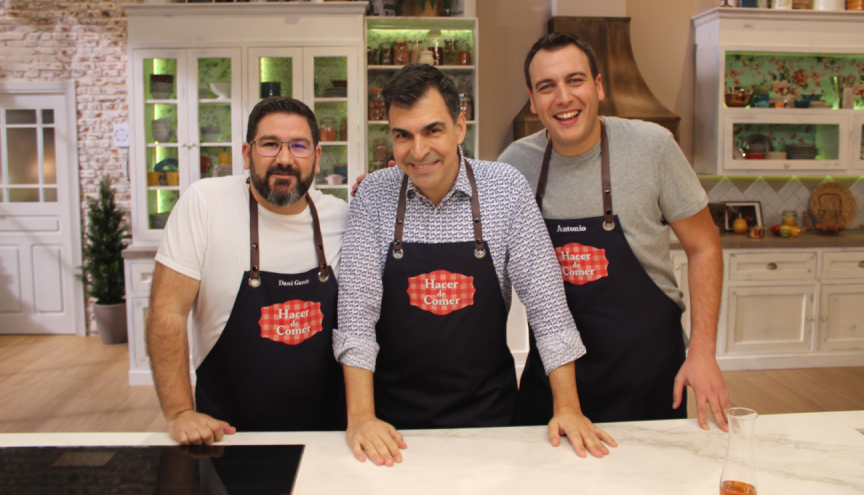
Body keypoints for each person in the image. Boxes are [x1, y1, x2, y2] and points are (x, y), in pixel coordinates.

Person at [334, 64, 616, 467]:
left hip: (491, 419)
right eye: (402, 135)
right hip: (392, 430)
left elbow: (548, 309)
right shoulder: (373, 196)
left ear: (459, 127)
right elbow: (356, 318)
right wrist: (362, 418)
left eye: (432, 130)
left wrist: (568, 407)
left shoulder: (505, 188)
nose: (417, 151)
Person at [499, 32, 730, 431]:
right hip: (553, 376)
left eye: (575, 80)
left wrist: (703, 351)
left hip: (645, 370)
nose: (563, 98)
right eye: (547, 87)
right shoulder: (516, 164)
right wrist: (389, 187)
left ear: (598, 86)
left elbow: (704, 246)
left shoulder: (652, 147)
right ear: (533, 100)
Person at [147, 97, 349, 444]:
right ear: (246, 152)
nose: (284, 159)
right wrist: (180, 412)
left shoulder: (343, 216)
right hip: (227, 436)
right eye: (270, 144)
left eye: (298, 146)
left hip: (330, 438)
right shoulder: (205, 204)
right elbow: (167, 311)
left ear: (317, 158)